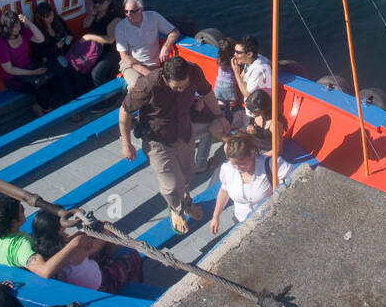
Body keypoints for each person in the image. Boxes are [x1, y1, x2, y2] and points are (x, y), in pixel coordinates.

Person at [119, 55, 230, 235]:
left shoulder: (193, 72)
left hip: (184, 132)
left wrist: (219, 116)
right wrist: (126, 143)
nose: (182, 90)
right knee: (171, 184)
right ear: (165, 77)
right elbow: (124, 111)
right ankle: (176, 209)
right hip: (157, 139)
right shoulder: (147, 86)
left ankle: (186, 203)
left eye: (185, 86)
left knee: (186, 175)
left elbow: (207, 92)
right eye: (176, 87)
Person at [0, 195, 95, 279]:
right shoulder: (22, 248)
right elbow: (45, 271)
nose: (24, 210)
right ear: (13, 222)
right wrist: (74, 243)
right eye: (22, 210)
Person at [30, 210, 142, 293]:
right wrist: (107, 230)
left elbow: (70, 238)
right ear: (58, 229)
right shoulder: (73, 251)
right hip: (102, 285)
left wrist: (84, 229)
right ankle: (136, 285)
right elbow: (97, 245)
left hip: (75, 280)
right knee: (133, 256)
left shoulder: (41, 248)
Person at [0, 7, 69, 117]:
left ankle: (38, 106)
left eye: (18, 24)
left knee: (55, 77)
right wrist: (33, 73)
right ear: (6, 27)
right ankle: (48, 113)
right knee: (41, 90)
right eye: (13, 26)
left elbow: (40, 39)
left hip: (30, 67)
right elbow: (9, 69)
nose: (17, 28)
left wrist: (27, 22)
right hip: (14, 77)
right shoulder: (1, 44)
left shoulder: (23, 32)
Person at [209, 132, 290, 234]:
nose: (238, 168)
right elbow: (224, 192)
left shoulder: (271, 164)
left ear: (252, 154)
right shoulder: (227, 169)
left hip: (269, 221)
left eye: (242, 164)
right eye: (234, 164)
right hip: (240, 221)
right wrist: (216, 217)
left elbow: (295, 178)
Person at [115, 0, 179, 90]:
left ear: (141, 9)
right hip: (131, 65)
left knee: (168, 85)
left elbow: (174, 32)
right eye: (126, 11)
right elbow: (124, 56)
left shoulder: (153, 17)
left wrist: (166, 47)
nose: (129, 14)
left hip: (154, 64)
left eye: (132, 11)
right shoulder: (120, 27)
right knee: (139, 87)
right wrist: (145, 71)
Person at [75, 0, 126, 90]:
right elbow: (85, 24)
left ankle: (110, 97)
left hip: (111, 51)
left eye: (101, 2)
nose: (97, 4)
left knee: (96, 74)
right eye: (95, 1)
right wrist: (92, 14)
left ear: (109, 2)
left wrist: (90, 37)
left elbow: (110, 39)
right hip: (95, 49)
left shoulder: (115, 17)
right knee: (80, 67)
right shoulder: (96, 12)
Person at [230, 33, 272, 103]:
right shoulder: (254, 59)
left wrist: (236, 73)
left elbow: (248, 95)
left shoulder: (257, 69)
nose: (235, 54)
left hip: (254, 111)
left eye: (238, 52)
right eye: (235, 51)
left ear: (249, 54)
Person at [213, 37, 239, 117]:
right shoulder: (234, 61)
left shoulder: (219, 59)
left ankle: (220, 115)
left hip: (218, 84)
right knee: (232, 103)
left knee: (220, 102)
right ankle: (230, 114)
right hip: (229, 85)